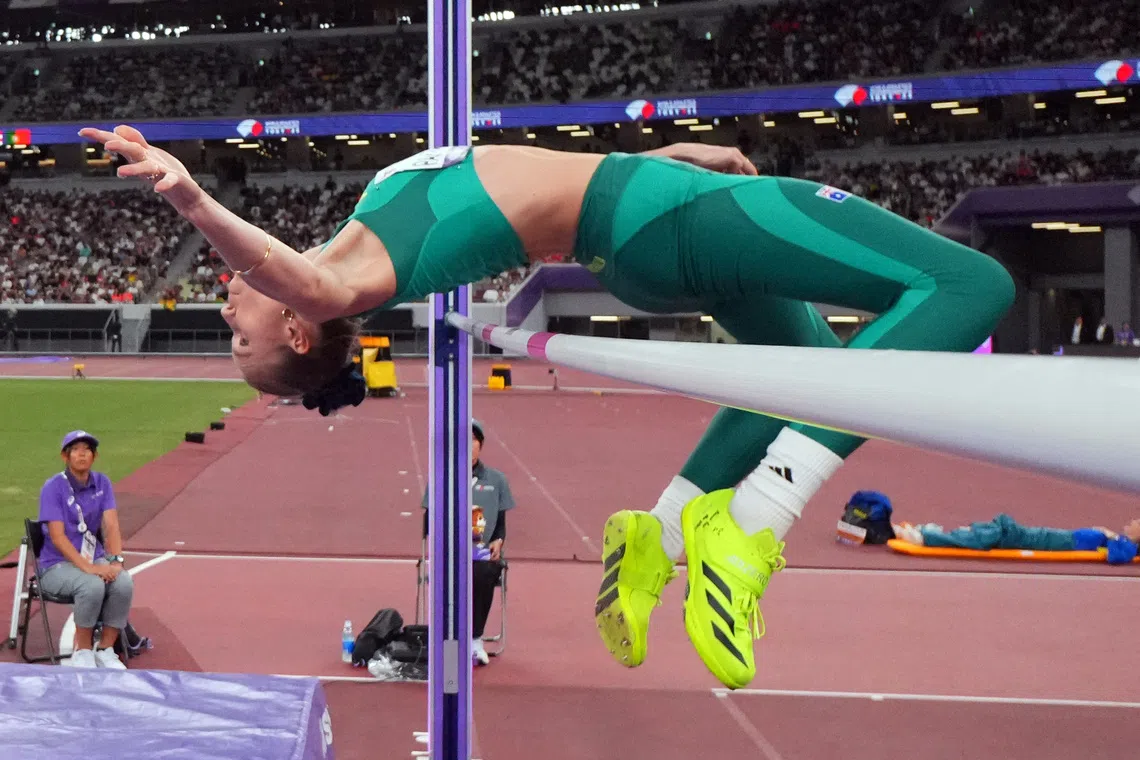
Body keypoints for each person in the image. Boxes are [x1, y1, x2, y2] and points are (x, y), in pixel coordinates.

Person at [80, 125, 1013, 689]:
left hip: (640, 215)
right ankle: (757, 520)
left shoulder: (351, 239)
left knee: (805, 370)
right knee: (968, 283)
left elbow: (531, 183)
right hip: (660, 218)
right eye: (242, 340)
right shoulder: (342, 280)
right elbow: (293, 276)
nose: (227, 315)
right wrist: (190, 197)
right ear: (294, 329)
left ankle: (661, 535)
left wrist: (655, 156)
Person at [421, 419, 515, 666]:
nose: (468, 444)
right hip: (448, 551)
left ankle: (474, 639)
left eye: (473, 439)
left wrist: (498, 541)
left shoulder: (496, 480)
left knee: (483, 571)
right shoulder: (441, 477)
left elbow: (501, 525)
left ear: (480, 445)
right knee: (451, 571)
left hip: (482, 553)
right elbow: (428, 522)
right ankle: (447, 638)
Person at [37, 431, 133, 669]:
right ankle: (82, 650)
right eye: (75, 450)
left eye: (87, 449)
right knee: (92, 585)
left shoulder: (102, 483)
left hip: (93, 558)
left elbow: (111, 525)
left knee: (123, 582)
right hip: (56, 565)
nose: (81, 454)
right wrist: (89, 568)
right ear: (65, 456)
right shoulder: (53, 487)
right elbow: (58, 537)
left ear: (94, 456)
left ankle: (105, 649)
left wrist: (116, 561)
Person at [892, 515, 1140, 563]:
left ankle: (926, 537)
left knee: (1003, 532)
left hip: (1051, 542)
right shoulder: (1122, 540)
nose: (1131, 521)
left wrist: (1112, 536)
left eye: (1136, 522)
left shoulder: (1126, 545)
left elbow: (1119, 556)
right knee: (997, 531)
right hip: (1051, 537)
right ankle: (933, 534)